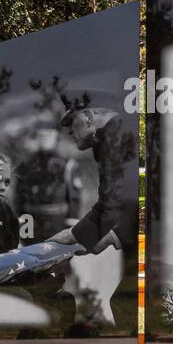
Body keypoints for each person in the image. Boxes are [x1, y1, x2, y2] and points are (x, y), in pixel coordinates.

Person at [48, 104, 128, 254]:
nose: (70, 132)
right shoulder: (109, 138)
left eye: (73, 124)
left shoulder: (116, 139)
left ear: (89, 118)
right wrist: (114, 236)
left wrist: (74, 235)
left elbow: (113, 204)